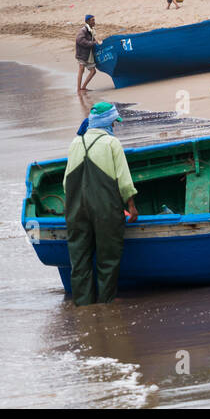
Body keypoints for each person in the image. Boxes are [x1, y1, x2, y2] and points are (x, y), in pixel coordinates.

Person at [62, 102, 138, 306]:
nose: (114, 127)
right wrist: (131, 206)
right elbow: (124, 181)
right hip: (105, 210)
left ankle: (83, 305)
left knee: (79, 260)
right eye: (114, 122)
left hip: (76, 210)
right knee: (108, 258)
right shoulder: (112, 144)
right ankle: (106, 302)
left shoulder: (75, 143)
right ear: (107, 123)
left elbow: (65, 183)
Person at [75, 14, 98, 92]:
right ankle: (78, 89)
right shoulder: (83, 30)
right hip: (82, 54)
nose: (94, 22)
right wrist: (93, 43)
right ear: (87, 21)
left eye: (94, 20)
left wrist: (95, 42)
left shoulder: (91, 30)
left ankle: (83, 87)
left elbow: (92, 40)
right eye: (92, 20)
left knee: (93, 71)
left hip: (88, 54)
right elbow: (80, 40)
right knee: (81, 69)